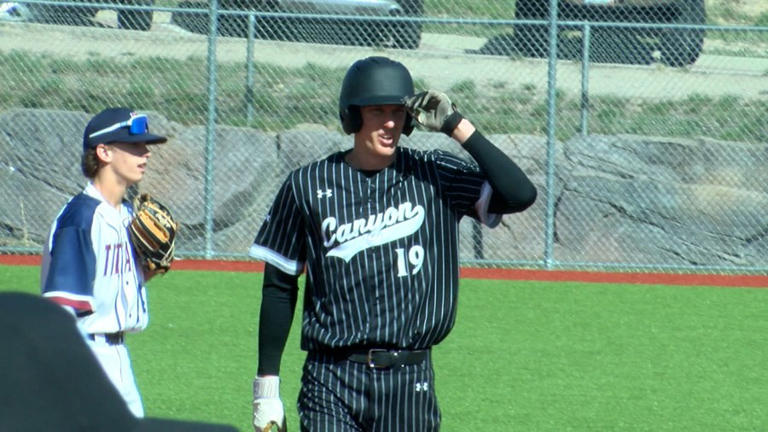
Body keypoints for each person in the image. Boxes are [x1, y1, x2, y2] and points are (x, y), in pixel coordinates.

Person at [249, 56, 538, 431]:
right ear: (352, 116)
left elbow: (520, 194)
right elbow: (279, 286)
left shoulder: (435, 175)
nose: (389, 122)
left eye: (398, 112)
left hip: (409, 382)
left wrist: (455, 125)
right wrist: (265, 390)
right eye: (376, 111)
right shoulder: (307, 184)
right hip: (330, 379)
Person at [40, 107, 167, 418]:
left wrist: (148, 269)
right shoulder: (81, 218)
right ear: (104, 151)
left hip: (117, 358)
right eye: (135, 145)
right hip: (88, 357)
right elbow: (61, 310)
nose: (146, 153)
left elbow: (111, 283)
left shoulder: (126, 215)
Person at [0, 291, 238, 432]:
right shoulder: (80, 217)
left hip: (114, 350)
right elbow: (63, 300)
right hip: (94, 349)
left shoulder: (120, 215)